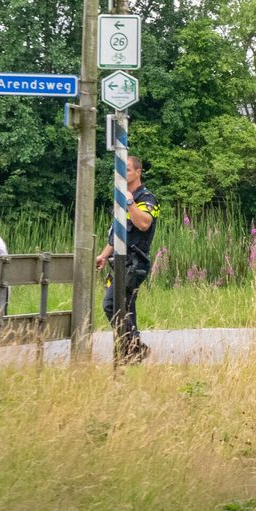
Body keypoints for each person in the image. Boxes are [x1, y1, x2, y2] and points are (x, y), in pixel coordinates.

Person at [96, 154, 159, 361]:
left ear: (138, 172)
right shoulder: (120, 199)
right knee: (127, 308)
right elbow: (118, 234)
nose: (123, 174)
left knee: (112, 304)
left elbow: (143, 224)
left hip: (135, 262)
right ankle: (129, 353)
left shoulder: (147, 199)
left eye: (128, 170)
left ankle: (135, 347)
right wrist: (104, 255)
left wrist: (130, 202)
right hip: (121, 262)